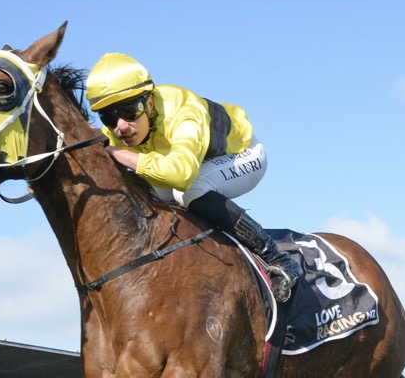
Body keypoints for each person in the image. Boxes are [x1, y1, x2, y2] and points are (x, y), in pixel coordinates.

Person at [86, 53, 302, 302]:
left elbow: (181, 174)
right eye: (109, 117)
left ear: (150, 102)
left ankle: (277, 260)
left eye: (129, 110)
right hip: (194, 165)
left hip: (243, 155)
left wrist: (113, 151)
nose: (120, 127)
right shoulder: (117, 129)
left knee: (190, 189)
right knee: (143, 193)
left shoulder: (182, 109)